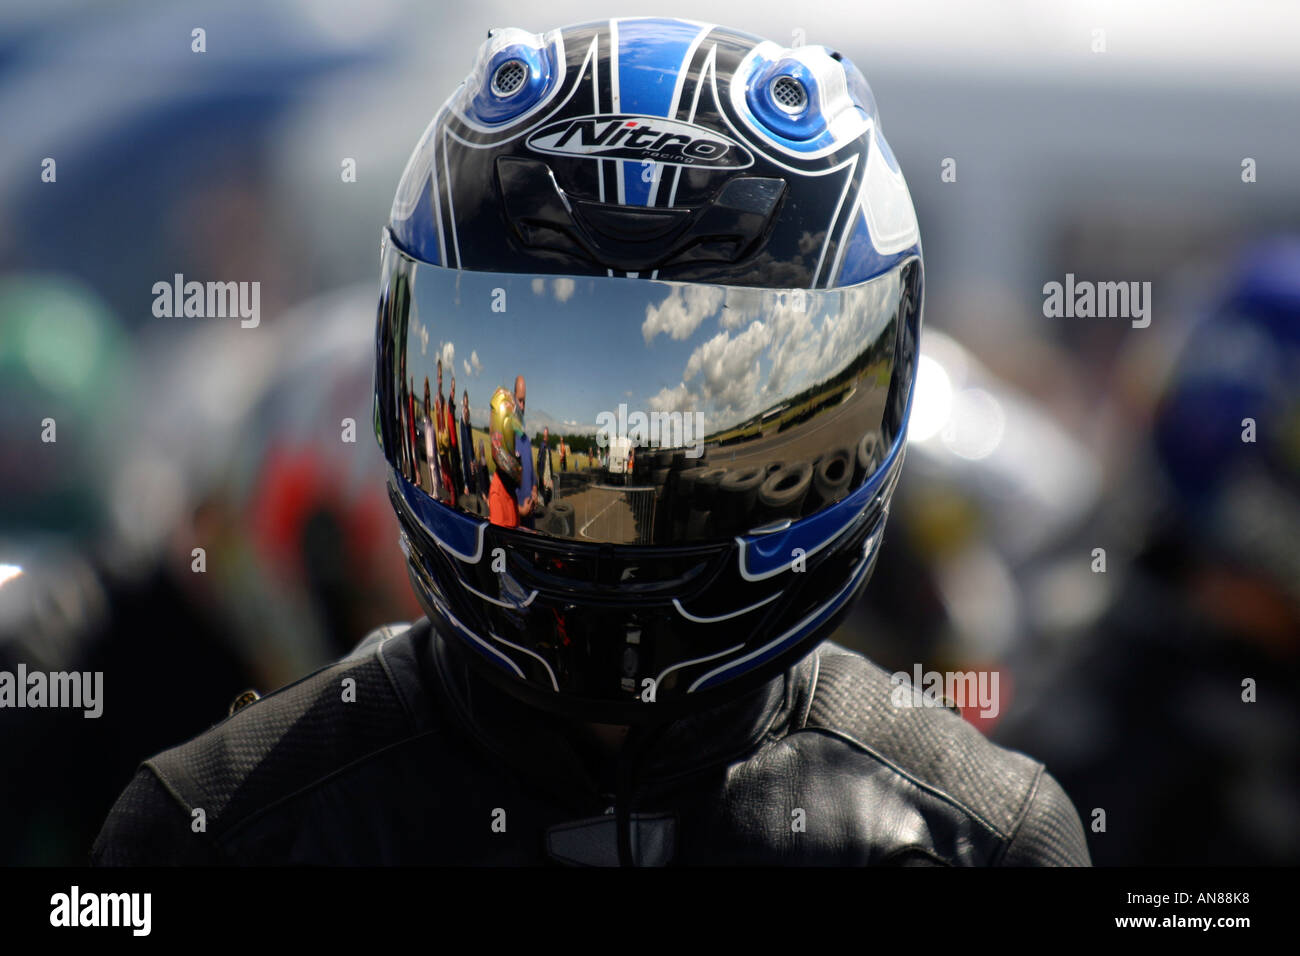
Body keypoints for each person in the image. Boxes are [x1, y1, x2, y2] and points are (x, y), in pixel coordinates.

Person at [92, 19, 1087, 866]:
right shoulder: (213, 824)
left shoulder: (981, 834)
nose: (626, 470)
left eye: (689, 429)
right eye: (558, 370)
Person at [512, 375, 539, 530]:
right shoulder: (506, 440)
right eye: (520, 400)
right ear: (513, 401)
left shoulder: (526, 441)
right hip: (515, 525)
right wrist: (521, 510)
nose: (522, 407)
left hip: (530, 524)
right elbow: (502, 495)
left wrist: (534, 491)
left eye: (524, 402)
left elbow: (532, 477)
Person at [460, 390, 474, 497]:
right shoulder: (462, 422)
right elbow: (463, 452)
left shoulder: (468, 423)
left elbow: (471, 443)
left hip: (470, 461)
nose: (466, 409)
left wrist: (472, 459)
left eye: (467, 405)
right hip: (465, 460)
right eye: (464, 406)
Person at [536, 426, 554, 507]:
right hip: (543, 474)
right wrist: (541, 476)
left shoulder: (549, 447)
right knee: (542, 494)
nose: (545, 437)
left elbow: (550, 463)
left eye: (547, 435)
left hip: (548, 474)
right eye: (544, 435)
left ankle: (546, 506)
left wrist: (552, 478)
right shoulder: (542, 446)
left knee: (549, 492)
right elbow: (538, 462)